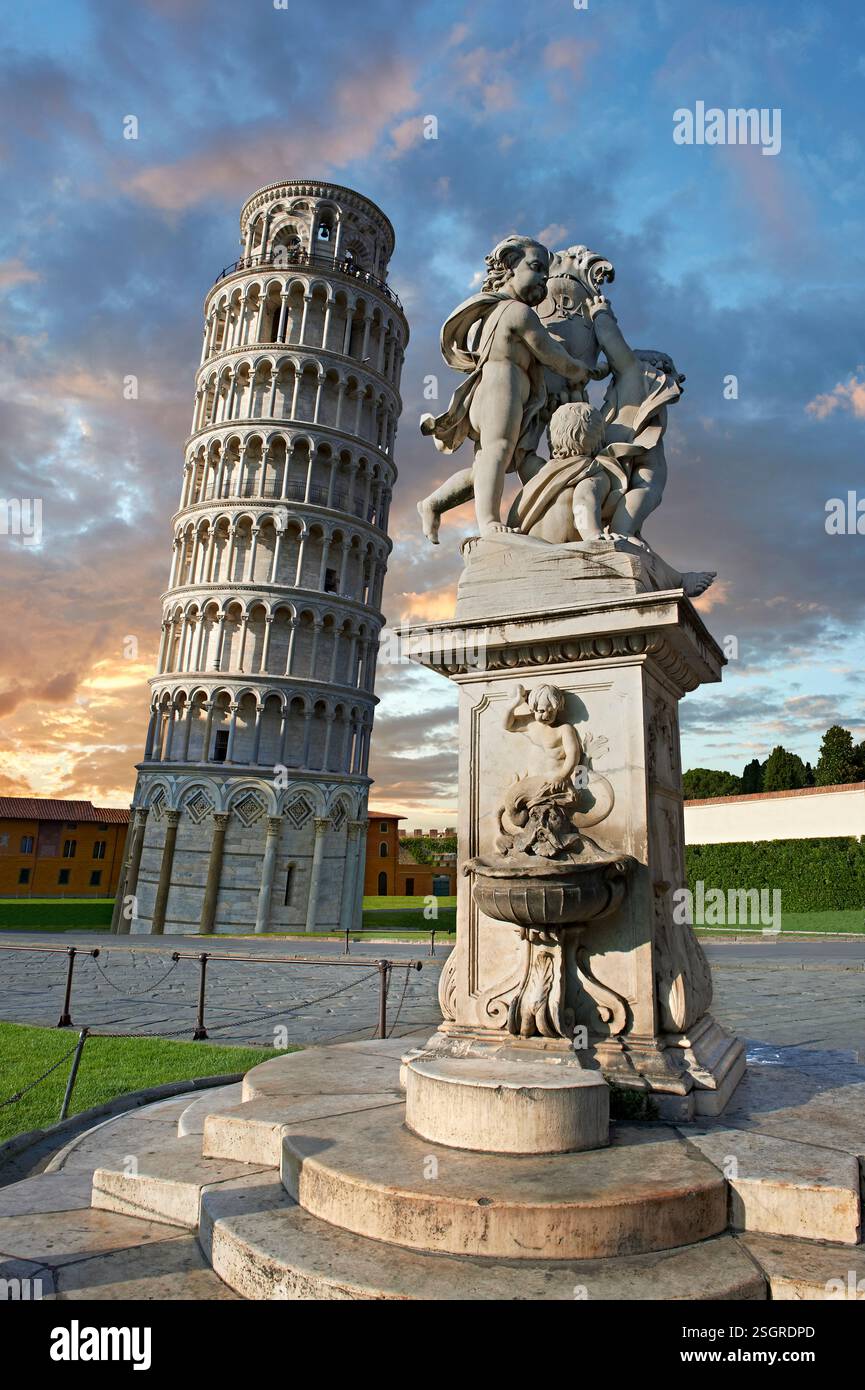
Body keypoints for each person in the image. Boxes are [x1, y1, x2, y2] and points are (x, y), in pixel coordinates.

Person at [418, 235, 605, 542]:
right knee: (498, 451)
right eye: (536, 267)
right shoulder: (518, 312)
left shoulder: (493, 311)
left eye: (546, 272)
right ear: (509, 266)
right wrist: (583, 369)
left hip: (509, 391)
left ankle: (434, 503)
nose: (543, 277)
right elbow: (552, 355)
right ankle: (489, 522)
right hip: (500, 387)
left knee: (508, 459)